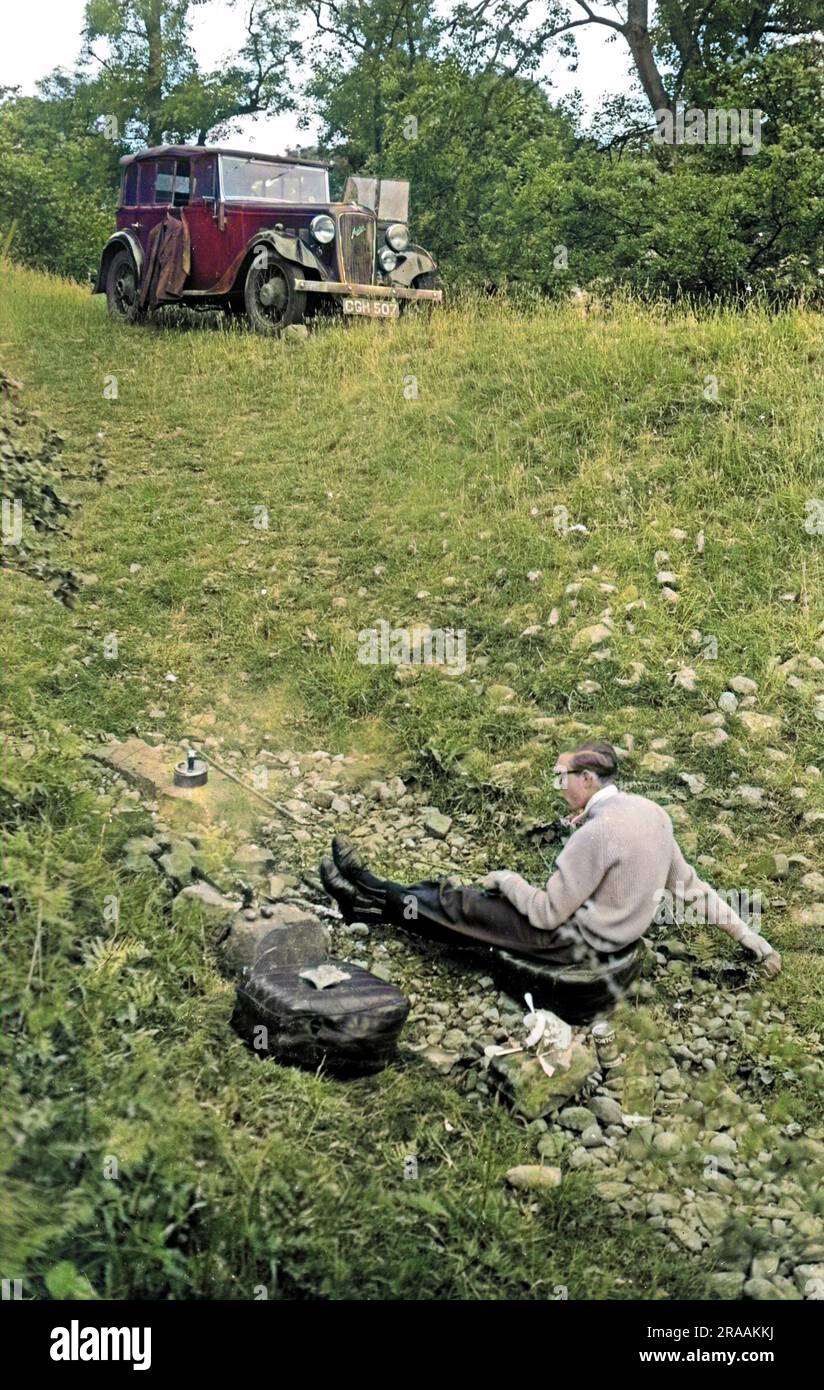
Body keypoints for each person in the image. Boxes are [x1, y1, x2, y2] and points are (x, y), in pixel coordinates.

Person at [319, 738, 782, 977]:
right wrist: (751, 939)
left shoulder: (596, 832)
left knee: (462, 906)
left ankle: (370, 888)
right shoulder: (652, 814)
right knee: (466, 905)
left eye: (562, 777)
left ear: (587, 780)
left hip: (574, 942)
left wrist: (507, 879)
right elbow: (692, 889)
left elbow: (545, 914)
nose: (558, 785)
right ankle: (362, 902)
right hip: (613, 935)